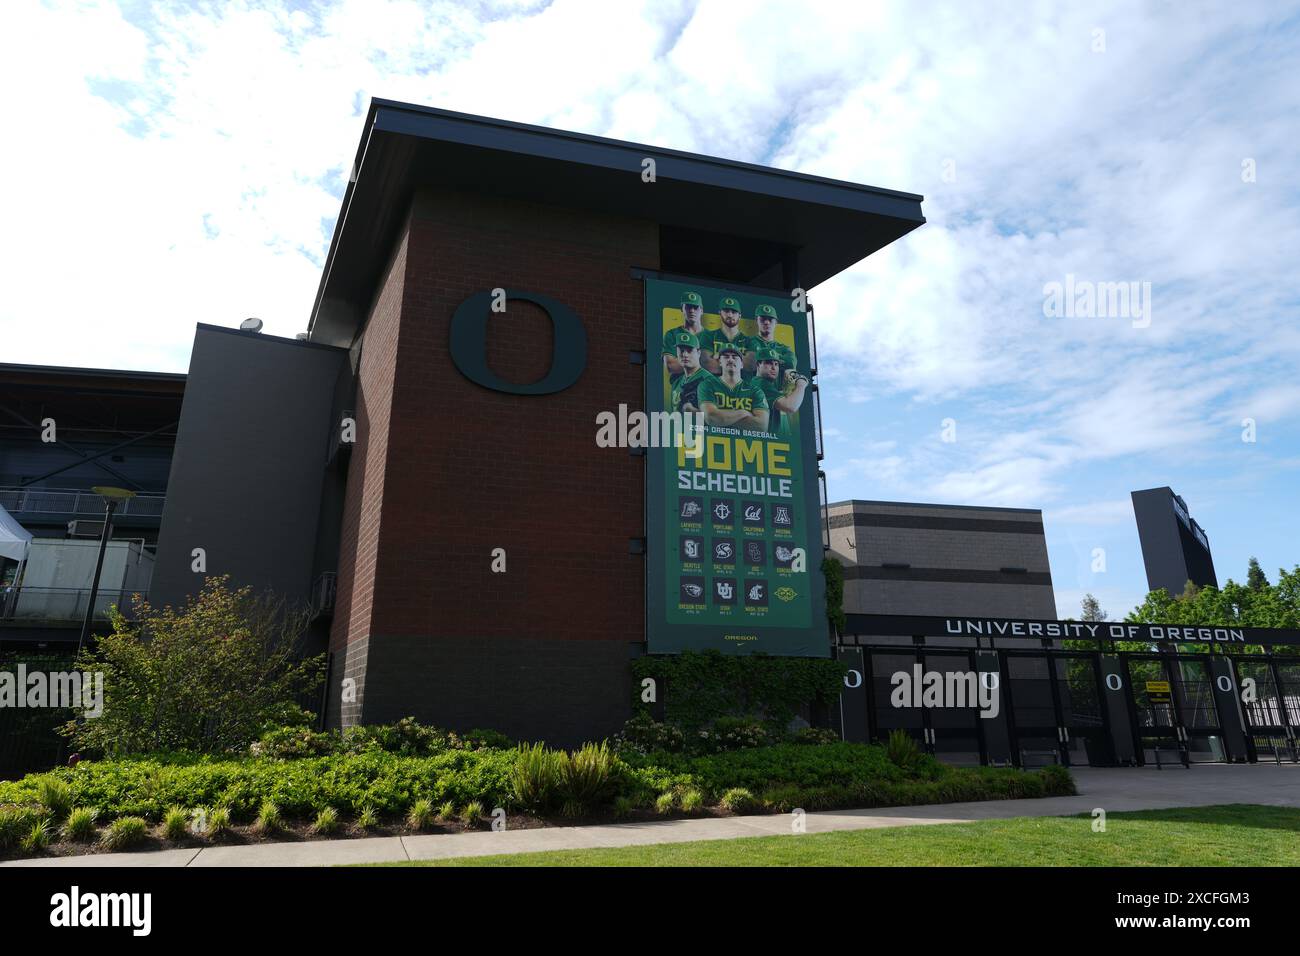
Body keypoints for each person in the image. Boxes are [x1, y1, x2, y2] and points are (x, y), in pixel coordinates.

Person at [698, 342, 768, 431]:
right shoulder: (707, 385)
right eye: (726, 357)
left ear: (742, 364)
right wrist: (743, 413)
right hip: (715, 441)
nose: (730, 360)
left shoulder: (755, 391)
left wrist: (722, 419)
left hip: (744, 443)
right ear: (720, 362)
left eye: (734, 357)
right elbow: (711, 417)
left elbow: (762, 426)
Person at [753, 346, 808, 436]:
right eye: (769, 363)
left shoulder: (767, 384)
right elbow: (790, 406)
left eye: (776, 364)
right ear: (758, 365)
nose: (774, 368)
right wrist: (801, 385)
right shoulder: (760, 383)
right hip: (766, 442)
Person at [699, 295, 754, 375]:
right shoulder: (708, 336)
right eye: (726, 311)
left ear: (740, 316)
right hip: (714, 386)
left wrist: (718, 356)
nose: (730, 315)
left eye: (734, 312)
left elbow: (750, 365)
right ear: (720, 313)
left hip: (742, 386)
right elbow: (706, 364)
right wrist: (739, 360)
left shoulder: (750, 340)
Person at [661, 290, 706, 378]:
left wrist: (683, 361)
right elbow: (671, 366)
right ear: (682, 309)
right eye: (688, 307)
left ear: (702, 311)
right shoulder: (672, 334)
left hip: (708, 388)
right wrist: (705, 361)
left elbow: (720, 367)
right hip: (681, 388)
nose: (692, 311)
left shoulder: (711, 335)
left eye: (695, 307)